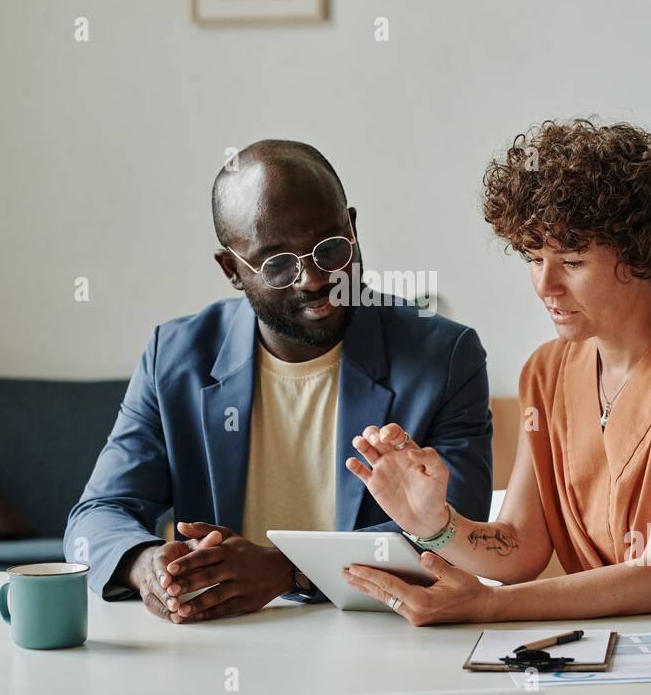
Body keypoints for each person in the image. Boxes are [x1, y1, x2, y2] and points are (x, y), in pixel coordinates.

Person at [343, 119, 651, 625]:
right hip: (599, 640)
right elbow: (522, 548)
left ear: (639, 256)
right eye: (533, 258)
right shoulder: (547, 371)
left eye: (571, 261)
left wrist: (488, 606)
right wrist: (436, 524)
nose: (545, 285)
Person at [64, 139, 492, 623]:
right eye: (277, 264)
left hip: (380, 634)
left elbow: (460, 533)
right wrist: (147, 566)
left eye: (330, 248)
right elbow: (97, 514)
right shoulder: (175, 356)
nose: (312, 278)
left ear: (352, 227)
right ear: (231, 269)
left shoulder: (444, 356)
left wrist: (291, 571)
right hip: (225, 639)